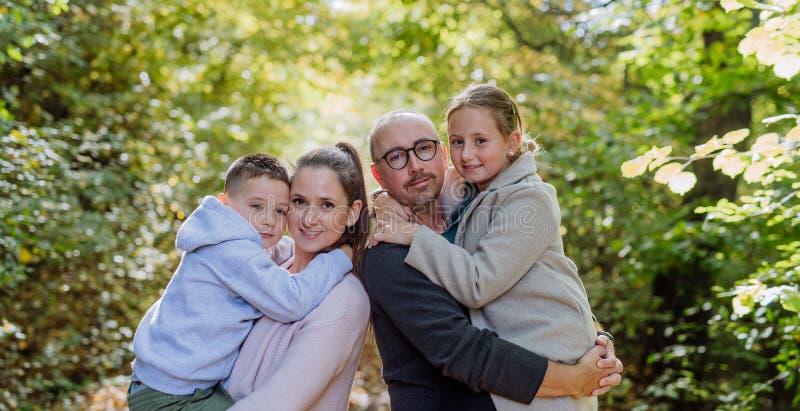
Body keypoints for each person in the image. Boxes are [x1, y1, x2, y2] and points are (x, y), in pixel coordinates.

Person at [363, 108, 623, 411]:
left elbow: (544, 281)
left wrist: (597, 339)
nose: (415, 166)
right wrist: (577, 379)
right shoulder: (387, 254)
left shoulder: (480, 209)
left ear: (443, 156)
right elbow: (468, 354)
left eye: (423, 148)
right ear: (379, 175)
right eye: (396, 157)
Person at [127, 153, 353, 410]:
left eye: (280, 211)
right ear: (225, 203)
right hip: (172, 397)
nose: (268, 219)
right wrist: (337, 258)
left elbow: (271, 253)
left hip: (166, 382)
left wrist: (301, 249)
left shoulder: (223, 238)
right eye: (257, 206)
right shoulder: (233, 252)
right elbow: (292, 300)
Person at [226, 143, 371, 411]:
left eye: (327, 205)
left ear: (352, 212)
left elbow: (275, 404)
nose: (309, 218)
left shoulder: (344, 301)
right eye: (299, 201)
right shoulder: (275, 270)